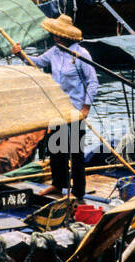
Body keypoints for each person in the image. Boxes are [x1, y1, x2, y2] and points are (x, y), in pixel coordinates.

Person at [11, 14, 98, 199]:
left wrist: (86, 108)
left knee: (75, 151)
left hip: (74, 110)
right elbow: (37, 62)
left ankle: (78, 192)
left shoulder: (81, 54)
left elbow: (93, 82)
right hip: (57, 107)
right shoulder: (55, 52)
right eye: (54, 35)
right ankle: (58, 185)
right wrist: (21, 54)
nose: (54, 37)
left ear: (66, 36)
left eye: (57, 35)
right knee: (56, 148)